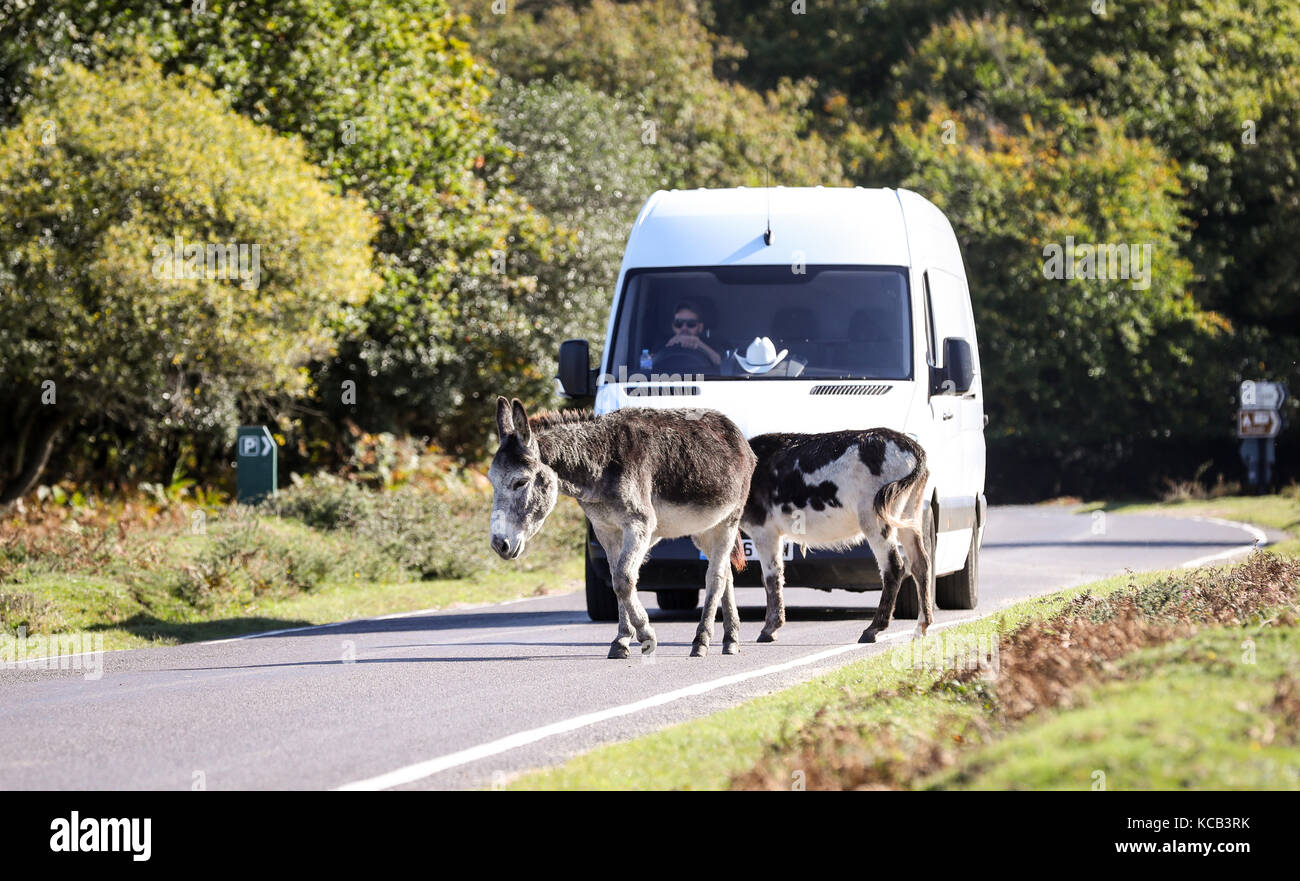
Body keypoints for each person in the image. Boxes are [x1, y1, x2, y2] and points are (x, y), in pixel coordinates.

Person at [656, 300, 722, 367]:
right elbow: (646, 367)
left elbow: (722, 365)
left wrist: (700, 345)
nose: (684, 328)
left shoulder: (713, 345)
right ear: (673, 326)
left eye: (691, 324)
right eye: (678, 323)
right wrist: (667, 347)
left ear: (700, 327)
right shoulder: (661, 344)